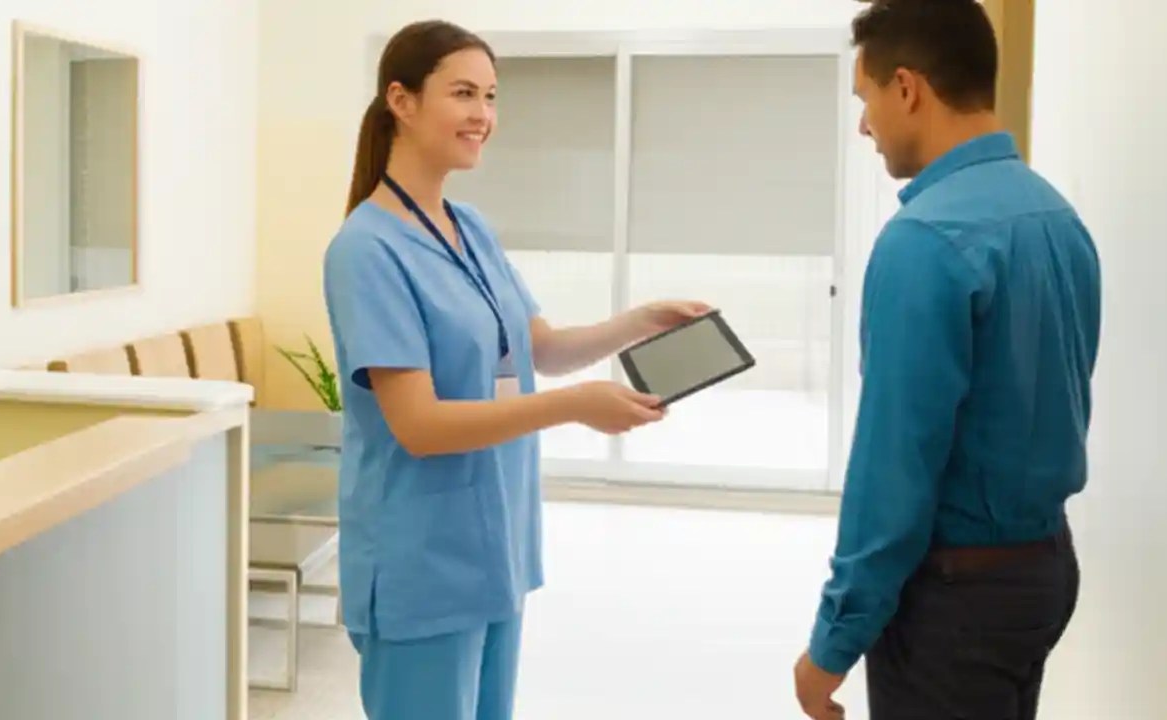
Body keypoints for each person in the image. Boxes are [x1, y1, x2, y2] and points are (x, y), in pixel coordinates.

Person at [323, 20, 709, 720]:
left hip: (494, 543)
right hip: (421, 560)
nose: (483, 114)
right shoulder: (366, 250)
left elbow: (540, 349)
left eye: (491, 96)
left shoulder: (470, 227)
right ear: (401, 101)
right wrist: (574, 407)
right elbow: (418, 424)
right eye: (463, 93)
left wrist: (640, 320)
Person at [792, 1, 1101, 719]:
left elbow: (893, 472)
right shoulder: (1058, 217)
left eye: (866, 97)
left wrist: (832, 644)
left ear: (907, 88)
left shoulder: (924, 241)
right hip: (1043, 571)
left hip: (954, 602)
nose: (864, 125)